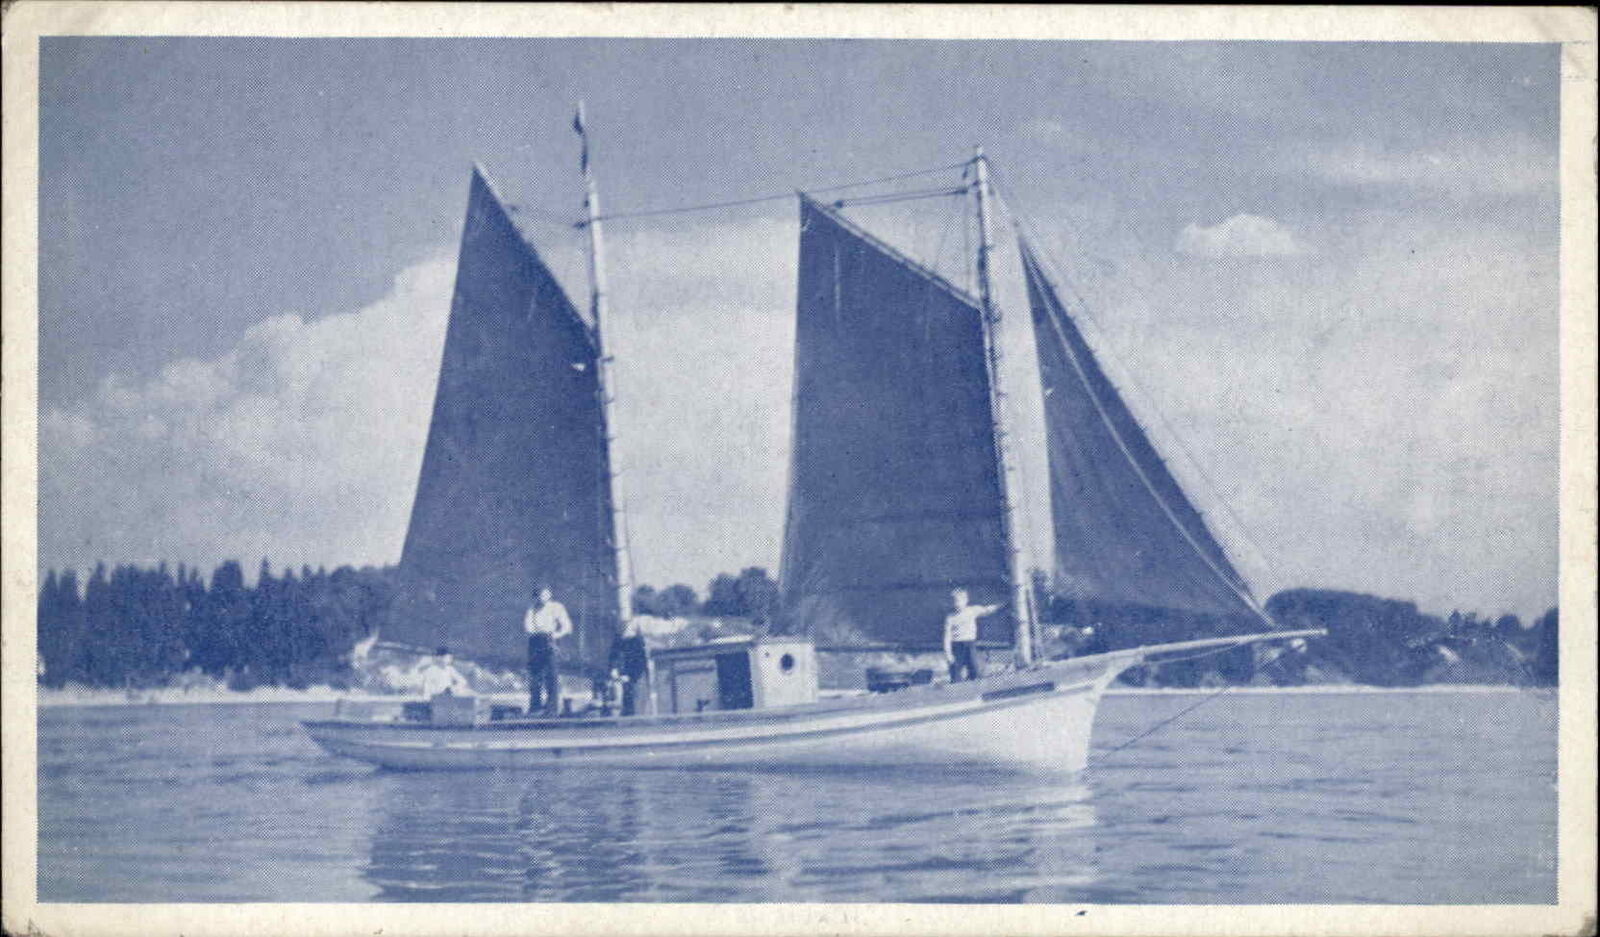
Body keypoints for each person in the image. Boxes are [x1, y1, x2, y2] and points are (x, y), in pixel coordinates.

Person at [524, 587, 573, 716]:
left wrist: (556, 635)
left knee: (551, 675)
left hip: (551, 640)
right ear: (536, 596)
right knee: (535, 676)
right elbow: (528, 626)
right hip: (535, 641)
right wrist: (535, 632)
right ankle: (535, 707)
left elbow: (567, 626)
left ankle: (552, 709)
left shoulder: (556, 607)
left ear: (549, 594)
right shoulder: (532, 608)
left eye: (545, 594)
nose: (542, 597)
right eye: (540, 595)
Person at [944, 588, 1002, 682]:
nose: (957, 604)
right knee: (955, 672)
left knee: (974, 670)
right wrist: (948, 654)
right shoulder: (950, 617)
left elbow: (987, 610)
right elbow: (947, 637)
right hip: (956, 646)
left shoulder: (972, 611)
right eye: (954, 602)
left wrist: (1001, 605)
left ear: (966, 600)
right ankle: (956, 692)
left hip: (969, 644)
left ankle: (974, 691)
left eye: (959, 601)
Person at [606, 617, 650, 716]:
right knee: (625, 703)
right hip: (623, 679)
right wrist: (613, 669)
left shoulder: (636, 643)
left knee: (636, 704)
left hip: (634, 679)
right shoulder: (618, 641)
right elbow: (613, 657)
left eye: (626, 628)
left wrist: (630, 676)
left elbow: (640, 663)